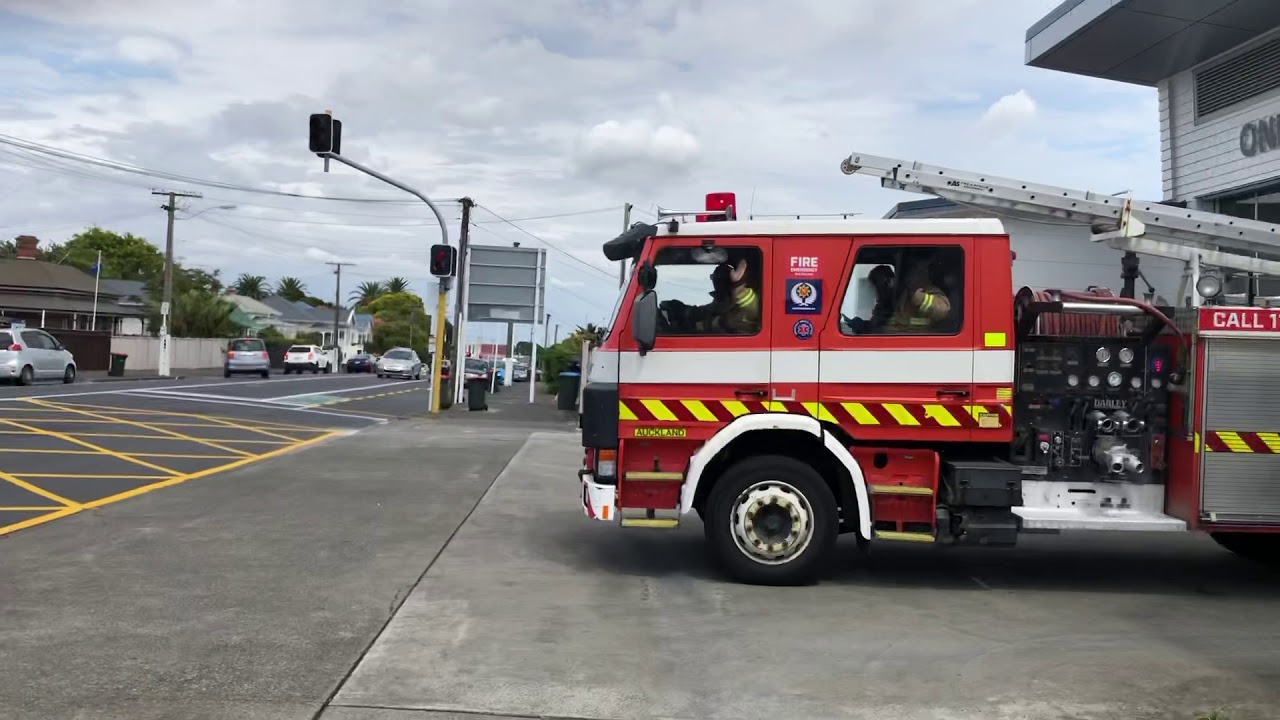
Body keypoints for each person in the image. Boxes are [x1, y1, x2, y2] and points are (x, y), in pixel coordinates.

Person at [661, 258, 760, 334]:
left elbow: (748, 312)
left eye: (717, 279)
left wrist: (737, 286)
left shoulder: (747, 303)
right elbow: (705, 313)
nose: (714, 282)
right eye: (714, 278)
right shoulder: (722, 301)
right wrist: (682, 310)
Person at [886, 257, 951, 332]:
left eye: (913, 272)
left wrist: (923, 299)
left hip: (921, 339)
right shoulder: (903, 293)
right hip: (898, 338)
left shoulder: (930, 290)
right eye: (907, 272)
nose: (908, 276)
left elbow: (942, 310)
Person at [844, 264, 895, 334]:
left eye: (876, 286)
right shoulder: (883, 305)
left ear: (888, 283)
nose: (874, 292)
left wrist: (863, 329)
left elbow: (884, 332)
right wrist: (863, 324)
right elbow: (875, 325)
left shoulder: (893, 305)